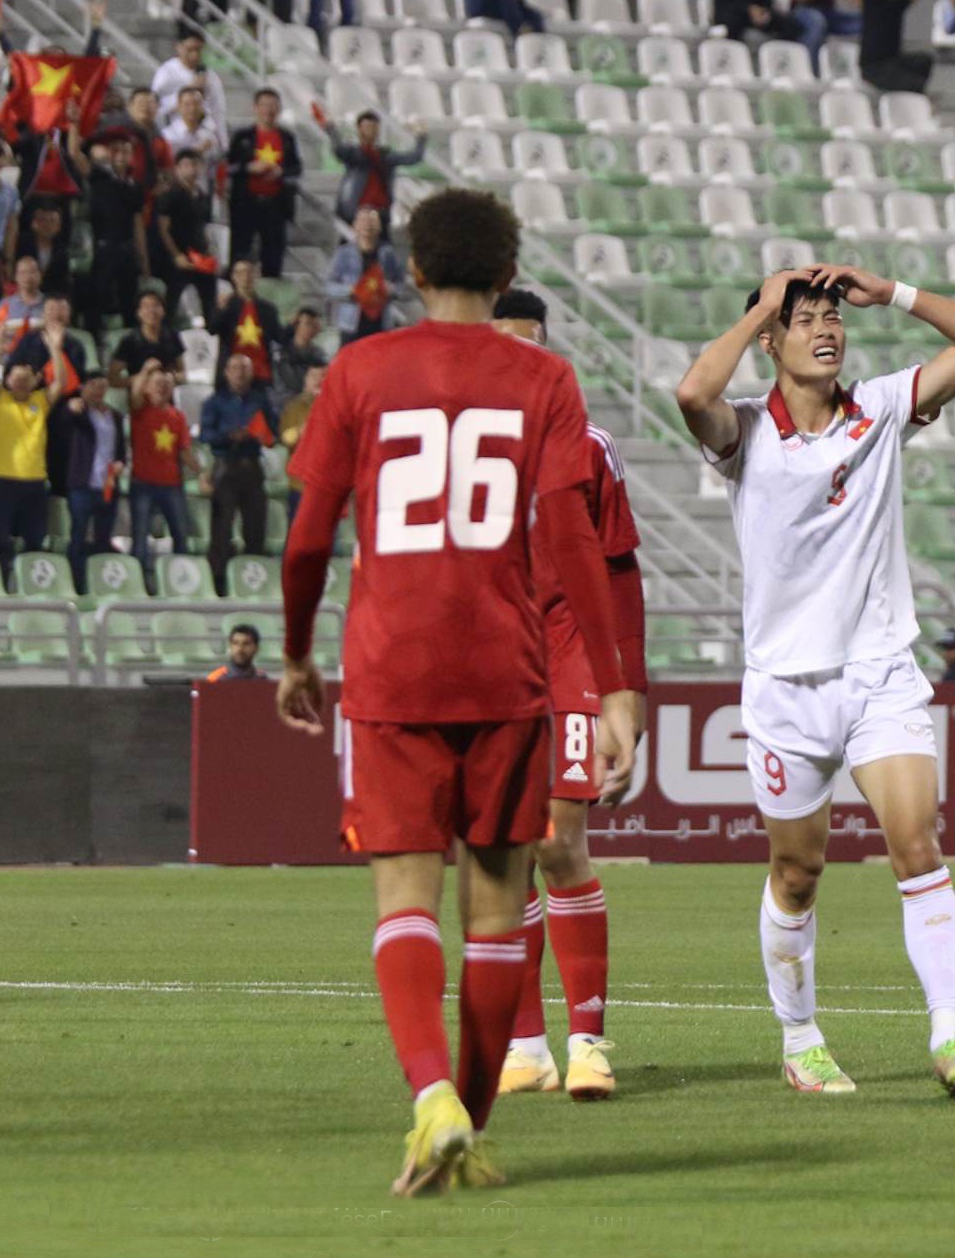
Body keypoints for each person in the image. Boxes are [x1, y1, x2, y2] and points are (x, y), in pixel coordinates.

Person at [275, 186, 637, 1194]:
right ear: (506, 268)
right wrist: (611, 691)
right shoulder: (545, 379)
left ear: (416, 271)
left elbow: (308, 538)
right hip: (509, 672)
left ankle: (432, 1096)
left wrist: (299, 654)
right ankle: (466, 1119)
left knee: (403, 897)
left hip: (393, 668)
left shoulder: (360, 371)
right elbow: (572, 543)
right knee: (493, 911)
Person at [675, 265, 955, 1095]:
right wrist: (762, 301)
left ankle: (952, 1036)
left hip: (878, 671)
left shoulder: (883, 406)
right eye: (806, 319)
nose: (826, 328)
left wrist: (890, 291)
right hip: (785, 689)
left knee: (917, 843)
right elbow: (690, 395)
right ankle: (800, 1039)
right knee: (797, 872)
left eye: (833, 316)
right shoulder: (746, 432)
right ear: (771, 340)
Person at [498, 360, 646, 1101]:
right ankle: (526, 1047)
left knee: (559, 839)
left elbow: (620, 571)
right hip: (491, 658)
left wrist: (631, 687)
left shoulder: (589, 445)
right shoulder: (472, 440)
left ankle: (586, 1040)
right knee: (505, 852)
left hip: (569, 655)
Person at [0, 344, 69, 574]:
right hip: (4, 480)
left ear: (35, 380)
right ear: (8, 379)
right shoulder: (0, 399)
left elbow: (61, 382)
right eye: (16, 378)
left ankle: (32, 584)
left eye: (26, 378)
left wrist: (53, 347)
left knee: (35, 539)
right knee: (0, 538)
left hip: (35, 481)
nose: (21, 382)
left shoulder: (40, 401)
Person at [199, 353, 276, 592]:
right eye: (235, 368)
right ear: (226, 373)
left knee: (255, 526)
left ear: (251, 373)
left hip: (252, 466)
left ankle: (254, 581)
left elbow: (273, 430)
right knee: (221, 528)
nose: (240, 373)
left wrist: (258, 435)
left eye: (245, 369)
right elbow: (205, 435)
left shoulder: (260, 400)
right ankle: (219, 583)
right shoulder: (214, 402)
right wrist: (230, 435)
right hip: (226, 466)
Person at [49, 369, 125, 591]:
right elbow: (57, 425)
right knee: (78, 536)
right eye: (94, 385)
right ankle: (76, 584)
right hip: (82, 484)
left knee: (103, 538)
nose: (98, 391)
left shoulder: (115, 416)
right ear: (83, 388)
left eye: (102, 386)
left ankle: (100, 583)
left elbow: (119, 449)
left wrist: (121, 463)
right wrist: (68, 409)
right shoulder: (76, 412)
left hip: (108, 485)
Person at [127, 359, 197, 585]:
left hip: (172, 484)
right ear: (147, 386)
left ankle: (179, 581)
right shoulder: (140, 409)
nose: (161, 388)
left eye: (166, 384)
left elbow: (185, 452)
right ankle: (139, 583)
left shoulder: (178, 417)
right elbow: (135, 395)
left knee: (181, 535)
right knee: (140, 538)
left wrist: (202, 472)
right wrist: (145, 370)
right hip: (143, 483)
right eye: (156, 383)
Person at [74, 135, 150, 337]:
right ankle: (93, 342)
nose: (121, 156)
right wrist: (74, 125)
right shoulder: (99, 177)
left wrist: (143, 258)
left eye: (126, 151)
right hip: (104, 246)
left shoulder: (134, 185)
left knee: (131, 300)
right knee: (96, 297)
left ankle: (133, 341)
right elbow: (75, 154)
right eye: (116, 150)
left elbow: (137, 223)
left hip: (127, 248)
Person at [226, 90, 300, 279]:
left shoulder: (287, 138)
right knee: (239, 253)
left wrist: (281, 172)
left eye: (273, 105)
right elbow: (228, 167)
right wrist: (249, 168)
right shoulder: (243, 136)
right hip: (245, 205)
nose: (268, 110)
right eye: (264, 105)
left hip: (275, 205)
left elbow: (296, 168)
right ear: (255, 108)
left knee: (273, 256)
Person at [325, 110, 425, 226]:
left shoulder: (385, 156)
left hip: (380, 212)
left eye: (374, 127)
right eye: (366, 127)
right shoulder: (353, 153)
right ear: (359, 129)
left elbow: (413, 157)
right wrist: (331, 130)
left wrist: (421, 136)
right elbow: (338, 150)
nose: (370, 131)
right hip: (354, 212)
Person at [326, 207, 403, 344]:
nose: (367, 225)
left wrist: (390, 289)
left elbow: (400, 284)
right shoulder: (343, 253)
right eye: (362, 220)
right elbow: (328, 286)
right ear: (354, 226)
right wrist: (351, 290)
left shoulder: (387, 254)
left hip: (380, 322)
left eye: (372, 221)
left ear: (379, 226)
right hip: (351, 323)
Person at [157, 149, 218, 321]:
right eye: (186, 165)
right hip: (179, 255)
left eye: (194, 165)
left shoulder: (203, 196)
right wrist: (176, 255)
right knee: (171, 303)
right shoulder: (170, 195)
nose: (191, 169)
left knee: (209, 302)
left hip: (200, 255)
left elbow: (204, 227)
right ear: (177, 168)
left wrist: (209, 251)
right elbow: (163, 228)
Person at [212, 257, 286, 385]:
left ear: (257, 275)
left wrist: (294, 324)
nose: (245, 277)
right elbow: (212, 330)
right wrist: (221, 310)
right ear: (233, 277)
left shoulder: (268, 308)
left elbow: (279, 336)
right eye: (240, 273)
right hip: (231, 376)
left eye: (249, 272)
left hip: (261, 374)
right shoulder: (226, 304)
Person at [151, 34, 229, 149]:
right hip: (174, 132)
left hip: (203, 132)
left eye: (198, 50)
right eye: (189, 50)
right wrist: (189, 89)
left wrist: (224, 144)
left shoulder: (210, 76)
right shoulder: (166, 72)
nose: (194, 55)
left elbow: (218, 110)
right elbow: (155, 106)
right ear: (179, 47)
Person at [109, 291, 186, 389]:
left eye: (156, 305)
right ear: (138, 313)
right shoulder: (130, 341)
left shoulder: (172, 336)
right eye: (146, 306)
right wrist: (144, 377)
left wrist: (170, 377)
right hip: (141, 392)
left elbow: (182, 371)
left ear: (163, 311)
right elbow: (113, 379)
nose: (152, 310)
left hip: (168, 388)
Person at [6, 292, 88, 384]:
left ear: (69, 316)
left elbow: (77, 380)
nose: (57, 314)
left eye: (62, 309)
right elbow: (10, 371)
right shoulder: (28, 339)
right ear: (43, 314)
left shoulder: (76, 345)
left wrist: (57, 347)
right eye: (52, 309)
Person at [276, 361, 322, 522]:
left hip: (327, 483)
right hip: (300, 482)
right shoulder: (294, 407)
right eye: (314, 376)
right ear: (306, 380)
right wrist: (303, 430)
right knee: (297, 531)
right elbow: (286, 439)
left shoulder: (338, 406)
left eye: (323, 376)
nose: (319, 380)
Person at [713, 2, 829, 64]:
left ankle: (796, 67)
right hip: (734, 18)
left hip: (762, 15)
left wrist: (763, 13)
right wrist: (748, 10)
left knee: (796, 27)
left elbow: (766, 8)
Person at [159, 87, 221, 193]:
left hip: (202, 191)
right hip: (176, 191)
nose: (192, 108)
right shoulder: (167, 135)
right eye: (187, 104)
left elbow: (215, 163)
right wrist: (196, 151)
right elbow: (167, 164)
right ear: (179, 106)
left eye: (196, 104)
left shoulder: (209, 134)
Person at [17, 200, 73, 296]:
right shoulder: (21, 246)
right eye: (42, 220)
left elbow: (64, 283)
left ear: (59, 226)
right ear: (33, 224)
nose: (47, 225)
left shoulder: (62, 251)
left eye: (52, 221)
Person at [275, 307, 328, 402]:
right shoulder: (281, 351)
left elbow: (323, 379)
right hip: (285, 402)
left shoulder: (319, 353)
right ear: (296, 326)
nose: (310, 328)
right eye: (307, 323)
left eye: (314, 325)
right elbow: (291, 380)